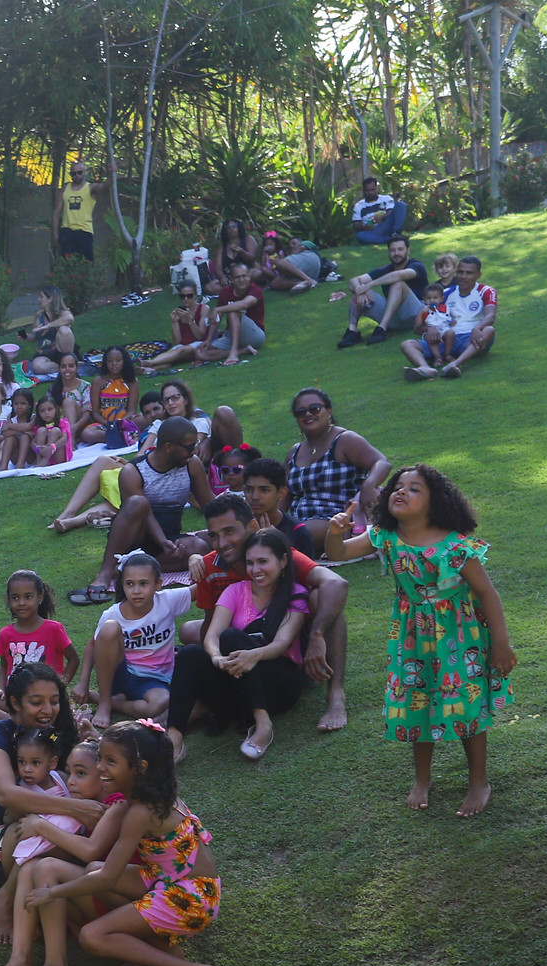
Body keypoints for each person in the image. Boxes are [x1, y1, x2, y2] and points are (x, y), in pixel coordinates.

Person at [325, 464, 515, 817]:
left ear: (435, 502)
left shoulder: (456, 547)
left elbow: (486, 592)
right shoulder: (385, 535)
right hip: (411, 637)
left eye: (415, 489)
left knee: (465, 704)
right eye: (398, 486)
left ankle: (479, 781)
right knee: (416, 701)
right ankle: (422, 779)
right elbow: (337, 555)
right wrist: (335, 533)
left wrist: (501, 644)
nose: (401, 491)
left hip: (459, 638)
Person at [22, 721, 224, 966]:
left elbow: (108, 879)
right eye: (100, 758)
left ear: (139, 768)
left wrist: (54, 893)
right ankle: (156, 947)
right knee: (93, 868)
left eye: (110, 761)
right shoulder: (142, 798)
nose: (100, 767)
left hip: (192, 898)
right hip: (167, 879)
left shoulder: (140, 811)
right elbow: (98, 867)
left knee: (93, 936)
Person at [185, 488, 353, 732]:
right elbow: (211, 625)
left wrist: (317, 637)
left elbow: (337, 583)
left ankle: (336, 693)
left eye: (229, 532)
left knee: (323, 600)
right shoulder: (210, 566)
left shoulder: (276, 554)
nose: (222, 543)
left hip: (291, 643)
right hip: (243, 643)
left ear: (251, 526)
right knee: (192, 633)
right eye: (214, 535)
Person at [0, 663, 102, 941]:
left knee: (66, 834)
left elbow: (76, 783)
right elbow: (6, 795)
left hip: (39, 828)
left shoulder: (52, 737)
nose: (48, 710)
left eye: (53, 701)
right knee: (52, 835)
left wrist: (92, 743)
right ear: (15, 703)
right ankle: (2, 899)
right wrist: (76, 809)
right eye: (36, 702)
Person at [0, 736, 130, 966]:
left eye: (80, 773)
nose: (70, 780)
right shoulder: (92, 801)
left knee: (47, 867)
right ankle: (20, 960)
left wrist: (41, 825)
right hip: (95, 893)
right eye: (70, 771)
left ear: (104, 775)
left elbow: (90, 851)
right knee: (31, 867)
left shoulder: (115, 804)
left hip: (117, 903)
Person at [165, 527, 310, 762]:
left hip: (278, 685)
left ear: (283, 561)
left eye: (263, 561)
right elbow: (212, 636)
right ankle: (174, 738)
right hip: (238, 686)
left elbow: (282, 643)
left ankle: (263, 723)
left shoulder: (296, 594)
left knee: (233, 638)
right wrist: (215, 657)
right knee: (191, 653)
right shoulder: (235, 591)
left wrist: (254, 655)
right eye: (250, 563)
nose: (256, 570)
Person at [66, 417, 213, 606]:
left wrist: (236, 525)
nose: (194, 451)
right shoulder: (133, 471)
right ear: (169, 446)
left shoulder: (191, 464)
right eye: (189, 446)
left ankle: (132, 568)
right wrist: (162, 541)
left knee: (201, 547)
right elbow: (144, 512)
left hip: (167, 540)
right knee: (138, 503)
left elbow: (209, 504)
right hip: (134, 539)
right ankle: (105, 573)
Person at [79, 553, 189, 726]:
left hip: (154, 680)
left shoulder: (168, 600)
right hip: (122, 673)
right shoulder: (113, 613)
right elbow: (93, 645)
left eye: (143, 583)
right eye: (130, 584)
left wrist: (197, 558)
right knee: (109, 627)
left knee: (161, 703)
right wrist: (82, 683)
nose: (136, 591)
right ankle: (106, 704)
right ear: (122, 585)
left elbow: (203, 587)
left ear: (158, 584)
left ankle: (111, 702)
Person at [284, 387, 392, 551]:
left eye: (314, 409)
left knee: (291, 537)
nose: (307, 414)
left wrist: (369, 485)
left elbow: (382, 462)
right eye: (300, 412)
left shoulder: (344, 440)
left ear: (329, 411)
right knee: (272, 536)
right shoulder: (294, 452)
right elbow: (284, 495)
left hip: (339, 519)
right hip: (299, 521)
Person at [0, 570, 77, 724]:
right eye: (15, 597)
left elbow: (74, 659)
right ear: (9, 600)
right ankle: (22, 722)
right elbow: (4, 666)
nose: (21, 603)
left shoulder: (53, 629)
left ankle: (10, 721)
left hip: (43, 700)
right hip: (16, 700)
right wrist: (0, 690)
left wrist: (60, 686)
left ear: (40, 598)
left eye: (28, 597)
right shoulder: (6, 633)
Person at [404, 253, 498, 380]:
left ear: (478, 275)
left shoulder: (486, 291)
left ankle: (454, 365)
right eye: (460, 272)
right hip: (447, 338)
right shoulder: (445, 294)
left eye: (469, 273)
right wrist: (429, 329)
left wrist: (477, 328)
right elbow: (418, 327)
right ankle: (425, 368)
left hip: (471, 340)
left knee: (489, 330)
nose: (463, 276)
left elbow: (490, 316)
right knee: (407, 344)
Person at [337, 235, 429, 348]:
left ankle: (381, 329)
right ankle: (352, 332)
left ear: (408, 250)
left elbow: (400, 275)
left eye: (400, 249)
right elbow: (353, 281)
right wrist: (360, 291)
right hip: (393, 317)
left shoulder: (416, 266)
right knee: (358, 290)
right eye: (393, 250)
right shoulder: (385, 269)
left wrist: (369, 285)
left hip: (416, 315)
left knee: (398, 284)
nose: (396, 253)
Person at [138, 280, 215, 372]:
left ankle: (150, 362)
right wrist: (174, 323)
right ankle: (149, 369)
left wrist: (191, 321)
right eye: (182, 296)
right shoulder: (178, 312)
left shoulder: (203, 309)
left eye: (189, 296)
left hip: (199, 345)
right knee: (171, 356)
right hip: (182, 347)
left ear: (195, 295)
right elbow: (178, 341)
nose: (186, 299)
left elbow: (200, 336)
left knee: (179, 351)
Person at [198, 263, 265, 366]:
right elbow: (217, 318)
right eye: (238, 277)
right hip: (232, 335)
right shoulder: (225, 292)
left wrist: (218, 309)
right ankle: (243, 351)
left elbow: (244, 304)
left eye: (244, 276)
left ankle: (233, 353)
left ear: (249, 277)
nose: (241, 280)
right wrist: (209, 338)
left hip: (254, 334)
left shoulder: (255, 290)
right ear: (232, 280)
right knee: (201, 354)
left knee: (233, 311)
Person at [82, 345, 140, 445]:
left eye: (118, 360)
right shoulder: (98, 381)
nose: (114, 364)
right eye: (110, 361)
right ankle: (123, 437)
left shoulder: (132, 382)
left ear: (124, 361)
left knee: (144, 418)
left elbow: (132, 410)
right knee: (87, 434)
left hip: (126, 423)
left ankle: (119, 436)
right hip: (105, 425)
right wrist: (110, 425)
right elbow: (95, 413)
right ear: (105, 362)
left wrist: (122, 423)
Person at [19, 284, 75, 376]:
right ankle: (63, 367)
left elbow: (70, 318)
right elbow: (34, 337)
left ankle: (69, 362)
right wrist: (25, 336)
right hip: (45, 353)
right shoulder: (39, 316)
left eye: (41, 297)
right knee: (37, 366)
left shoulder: (62, 313)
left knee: (65, 330)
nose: (38, 299)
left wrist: (47, 326)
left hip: (61, 351)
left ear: (51, 299)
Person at [51, 161, 102, 260]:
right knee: (67, 266)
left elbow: (103, 187)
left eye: (79, 172)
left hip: (84, 232)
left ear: (84, 172)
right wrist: (56, 235)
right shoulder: (64, 190)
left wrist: (111, 175)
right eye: (73, 173)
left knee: (85, 265)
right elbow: (56, 213)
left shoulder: (90, 188)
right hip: (67, 232)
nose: (76, 175)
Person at [351, 175, 408, 244]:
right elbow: (356, 225)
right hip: (373, 231)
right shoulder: (358, 206)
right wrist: (364, 227)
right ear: (363, 190)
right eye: (367, 190)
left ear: (377, 188)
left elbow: (391, 212)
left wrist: (382, 217)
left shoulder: (386, 198)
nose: (370, 193)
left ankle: (396, 234)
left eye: (372, 189)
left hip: (387, 225)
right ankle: (391, 240)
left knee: (401, 205)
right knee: (360, 236)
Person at [212, 218, 265, 287]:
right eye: (228, 227)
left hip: (246, 274)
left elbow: (252, 257)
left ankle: (234, 288)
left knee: (257, 273)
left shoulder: (248, 239)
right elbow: (217, 267)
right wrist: (222, 277)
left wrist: (242, 252)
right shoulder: (221, 248)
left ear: (239, 227)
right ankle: (238, 287)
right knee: (209, 287)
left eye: (234, 226)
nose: (231, 229)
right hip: (230, 277)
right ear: (225, 231)